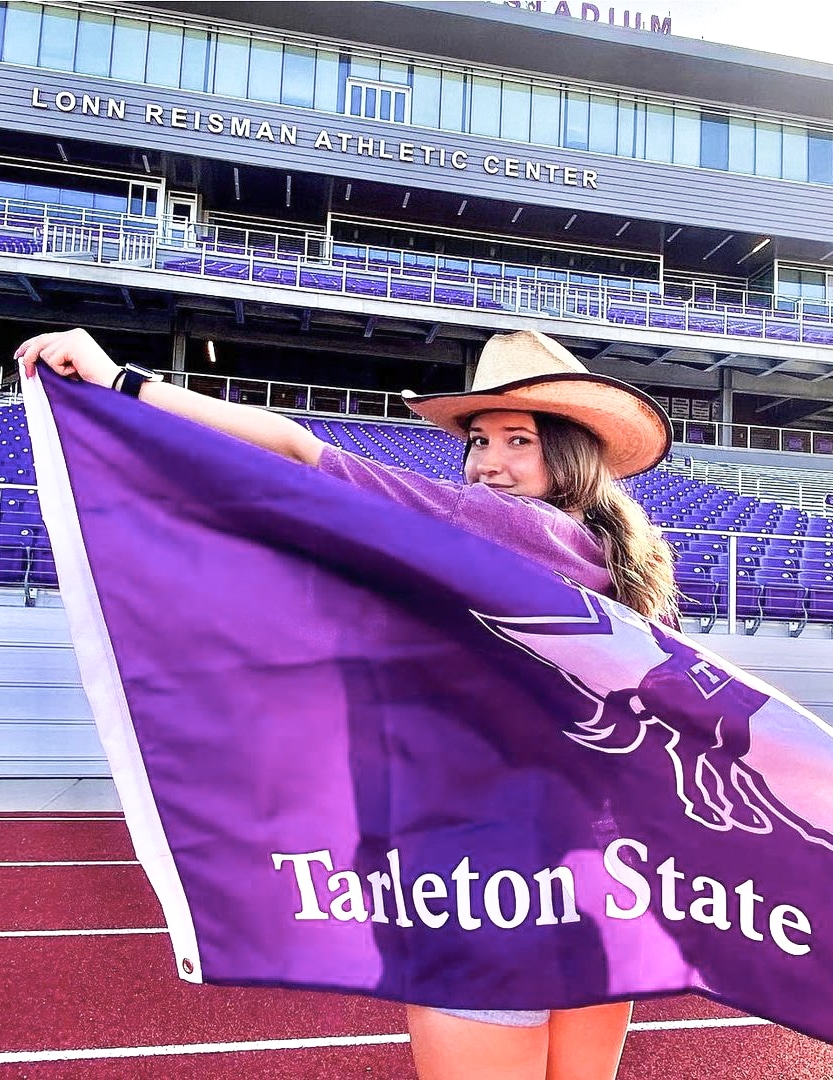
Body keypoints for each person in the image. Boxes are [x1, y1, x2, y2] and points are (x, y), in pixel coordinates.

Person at [16, 326, 677, 1080]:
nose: (487, 464)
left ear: (568, 454)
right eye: (478, 440)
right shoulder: (623, 561)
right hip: (603, 886)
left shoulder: (493, 521)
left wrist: (120, 381)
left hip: (485, 884)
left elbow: (300, 452)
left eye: (516, 441)